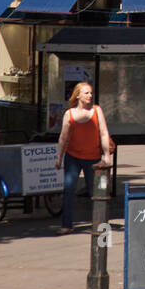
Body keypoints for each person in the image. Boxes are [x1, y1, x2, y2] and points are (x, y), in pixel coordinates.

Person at [55, 83, 112, 233]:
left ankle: (99, 224)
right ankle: (66, 225)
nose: (90, 96)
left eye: (91, 93)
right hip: (73, 157)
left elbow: (104, 133)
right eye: (86, 93)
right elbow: (63, 137)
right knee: (69, 189)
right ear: (78, 95)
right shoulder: (70, 114)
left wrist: (106, 156)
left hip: (93, 158)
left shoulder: (96, 111)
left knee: (96, 192)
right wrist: (59, 157)